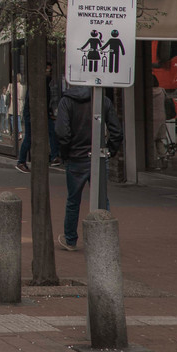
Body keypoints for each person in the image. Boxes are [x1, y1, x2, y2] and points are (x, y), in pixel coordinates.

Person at [55, 81, 123, 252]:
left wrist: (65, 153)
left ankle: (70, 239)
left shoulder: (66, 101)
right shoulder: (102, 100)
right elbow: (117, 131)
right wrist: (110, 150)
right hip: (99, 156)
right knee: (102, 199)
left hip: (76, 157)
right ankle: (104, 238)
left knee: (73, 200)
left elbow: (62, 132)